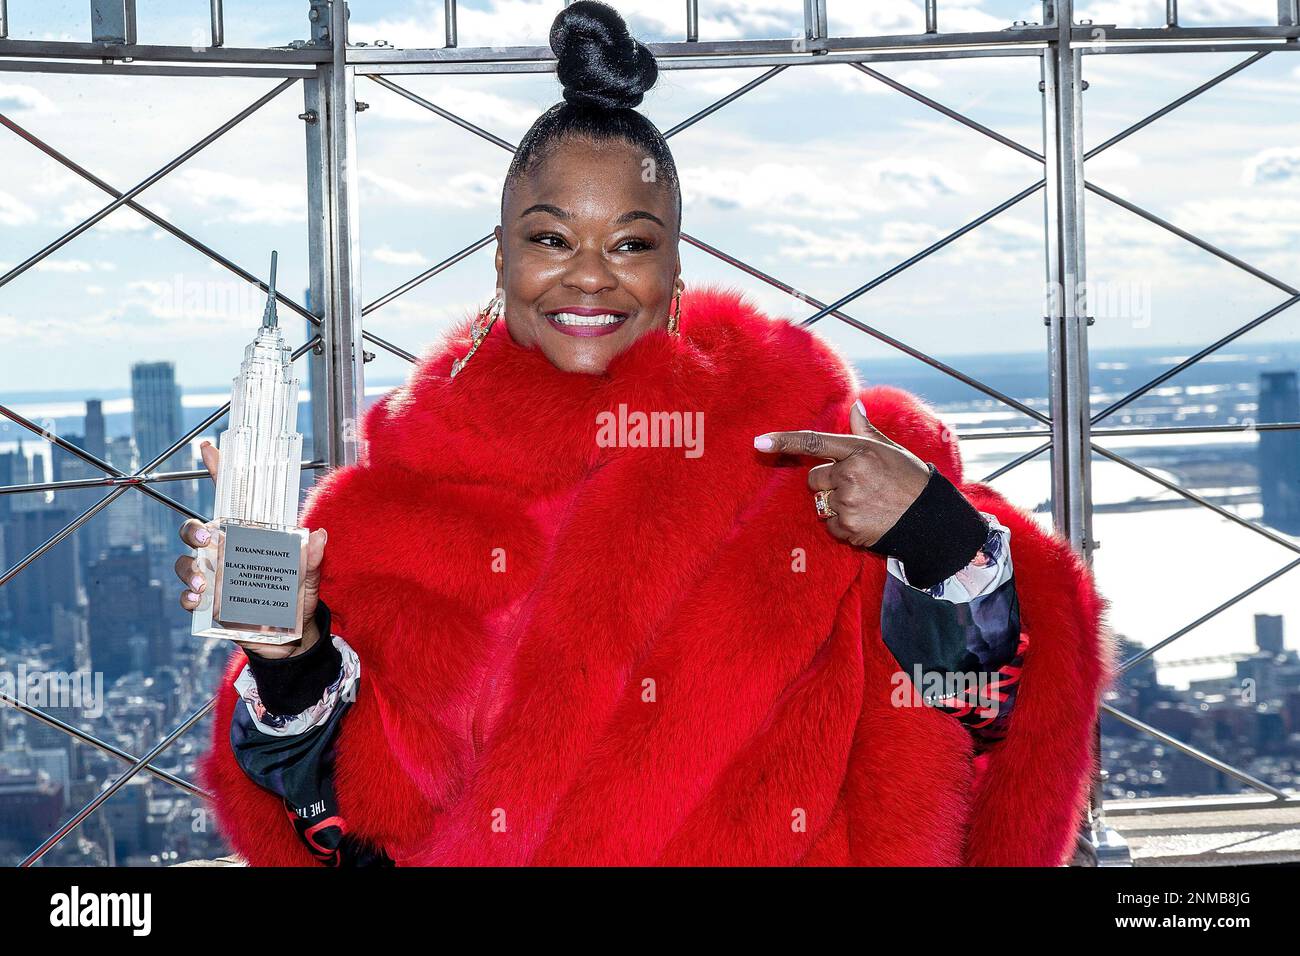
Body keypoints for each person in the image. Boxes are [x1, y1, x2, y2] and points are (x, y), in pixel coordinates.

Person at [181, 1, 1112, 867]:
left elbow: (980, 733)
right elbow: (345, 838)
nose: (590, 276)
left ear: (676, 264)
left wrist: (938, 542)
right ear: (499, 253)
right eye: (550, 239)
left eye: (630, 243)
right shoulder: (387, 511)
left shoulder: (817, 454)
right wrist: (291, 655)